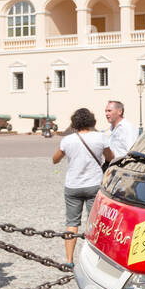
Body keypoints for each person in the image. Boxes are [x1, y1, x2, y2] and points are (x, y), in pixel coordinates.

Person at [51, 108, 106, 266]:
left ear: (74, 122)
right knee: (94, 223)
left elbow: (55, 159)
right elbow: (110, 157)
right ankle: (94, 261)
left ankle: (69, 259)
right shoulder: (100, 137)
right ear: (92, 121)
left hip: (73, 185)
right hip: (94, 184)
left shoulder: (68, 140)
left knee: (71, 223)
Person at [101, 100, 139, 164]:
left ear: (120, 112)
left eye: (109, 111)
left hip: (123, 167)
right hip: (112, 167)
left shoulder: (127, 128)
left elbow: (132, 153)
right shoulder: (111, 129)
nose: (106, 114)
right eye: (106, 111)